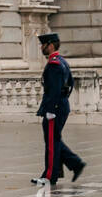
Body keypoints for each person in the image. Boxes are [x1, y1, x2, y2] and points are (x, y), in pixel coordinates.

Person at [33, 33, 85, 186]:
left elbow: (54, 90)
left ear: (50, 45)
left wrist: (51, 109)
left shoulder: (54, 64)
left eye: (43, 45)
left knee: (51, 142)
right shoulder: (61, 61)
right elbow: (70, 84)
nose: (41, 48)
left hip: (54, 108)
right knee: (54, 140)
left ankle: (49, 176)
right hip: (61, 105)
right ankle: (74, 164)